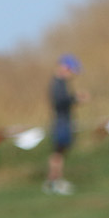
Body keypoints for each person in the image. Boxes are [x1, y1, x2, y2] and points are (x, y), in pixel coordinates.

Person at [47, 55, 84, 195]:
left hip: (63, 121)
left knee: (59, 152)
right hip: (61, 122)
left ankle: (52, 181)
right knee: (58, 153)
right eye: (72, 71)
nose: (73, 75)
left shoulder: (61, 83)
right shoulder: (58, 83)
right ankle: (56, 181)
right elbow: (60, 101)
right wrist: (76, 98)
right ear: (66, 68)